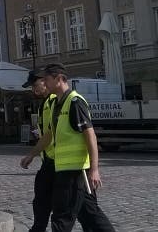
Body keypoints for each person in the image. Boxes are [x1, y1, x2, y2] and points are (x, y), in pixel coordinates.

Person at [33, 63, 115, 232]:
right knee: (90, 215)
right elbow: (50, 134)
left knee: (61, 218)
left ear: (59, 79)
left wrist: (94, 169)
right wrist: (32, 154)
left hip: (74, 171)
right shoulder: (57, 104)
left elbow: (90, 135)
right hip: (64, 170)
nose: (45, 83)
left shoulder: (74, 102)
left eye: (47, 79)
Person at [20, 71, 57, 232]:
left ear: (45, 82)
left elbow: (50, 134)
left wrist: (31, 154)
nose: (33, 90)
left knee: (75, 209)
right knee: (41, 199)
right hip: (49, 159)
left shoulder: (54, 101)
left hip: (58, 161)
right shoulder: (45, 103)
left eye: (35, 85)